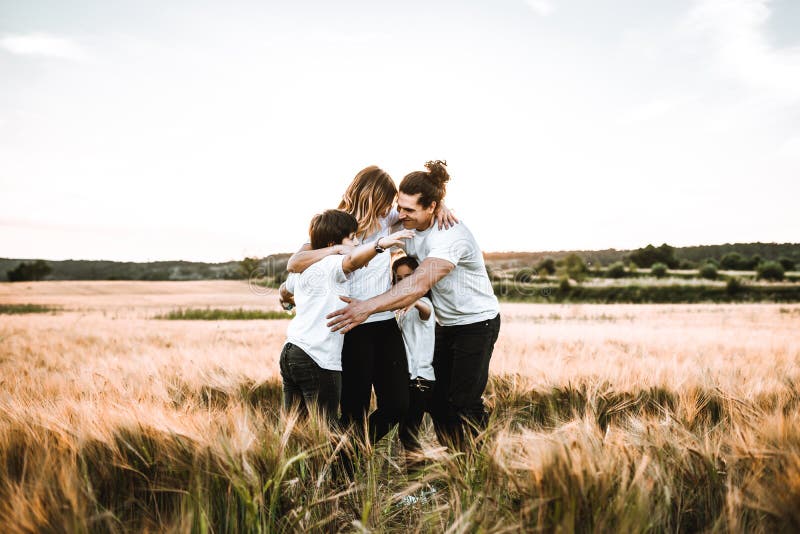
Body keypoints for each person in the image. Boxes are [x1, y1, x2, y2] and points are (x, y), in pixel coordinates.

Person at [327, 161, 501, 450]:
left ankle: (476, 463)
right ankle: (455, 463)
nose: (400, 214)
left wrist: (365, 307)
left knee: (462, 402)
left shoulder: (451, 236)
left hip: (476, 324)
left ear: (432, 207)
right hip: (447, 325)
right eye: (400, 206)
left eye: (409, 210)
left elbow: (418, 285)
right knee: (436, 401)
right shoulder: (407, 221)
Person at [285, 165, 457, 444]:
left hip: (384, 324)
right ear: (371, 198)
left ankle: (352, 447)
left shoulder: (387, 219)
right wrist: (336, 249)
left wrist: (442, 205)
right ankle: (345, 473)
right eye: (386, 202)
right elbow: (294, 263)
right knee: (356, 410)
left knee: (397, 405)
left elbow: (418, 206)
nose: (392, 209)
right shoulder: (337, 224)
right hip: (351, 326)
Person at [278, 209, 412, 426]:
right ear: (333, 244)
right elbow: (351, 261)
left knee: (294, 427)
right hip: (318, 359)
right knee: (326, 432)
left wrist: (285, 302)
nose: (357, 241)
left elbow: (285, 289)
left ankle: (290, 461)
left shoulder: (303, 269)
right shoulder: (332, 265)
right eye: (352, 238)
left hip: (291, 352)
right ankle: (335, 460)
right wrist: (380, 244)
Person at [392, 256, 436, 467]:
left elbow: (426, 312)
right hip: (407, 379)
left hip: (421, 379)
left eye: (409, 277)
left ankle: (419, 485)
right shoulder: (398, 310)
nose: (404, 283)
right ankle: (420, 482)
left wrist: (414, 300)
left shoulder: (425, 303)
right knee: (407, 433)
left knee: (408, 434)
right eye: (399, 279)